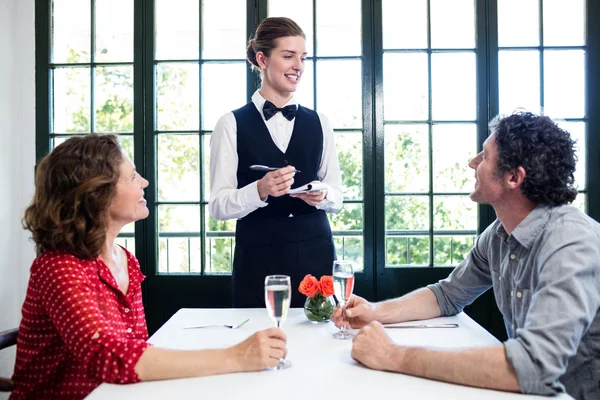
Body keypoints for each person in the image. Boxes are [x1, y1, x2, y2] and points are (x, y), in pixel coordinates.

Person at [332, 111, 600, 400]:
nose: (473, 163)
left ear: (513, 177)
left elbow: (533, 367)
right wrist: (375, 312)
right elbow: (447, 295)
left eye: (484, 156)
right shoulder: (498, 234)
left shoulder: (571, 242)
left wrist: (393, 356)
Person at [11, 134, 288, 400]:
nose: (144, 181)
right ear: (97, 193)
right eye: (132, 176)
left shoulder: (125, 261)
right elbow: (109, 357)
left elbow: (135, 350)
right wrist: (236, 357)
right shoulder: (58, 267)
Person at [209, 17, 343, 308]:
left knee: (320, 345)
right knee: (260, 347)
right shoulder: (230, 124)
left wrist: (322, 195)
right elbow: (218, 206)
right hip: (259, 261)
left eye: (303, 57)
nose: (299, 66)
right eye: (288, 56)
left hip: (316, 255)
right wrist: (259, 190)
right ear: (262, 59)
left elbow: (337, 196)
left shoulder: (321, 122)